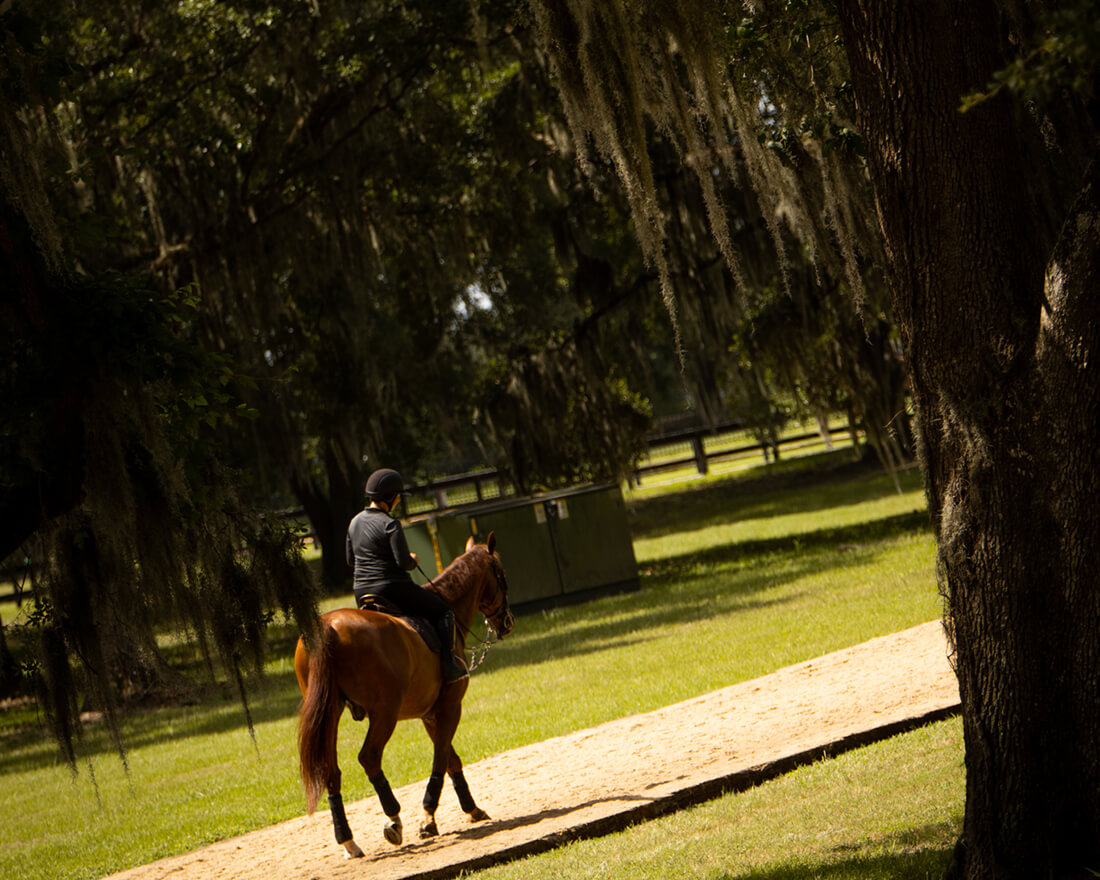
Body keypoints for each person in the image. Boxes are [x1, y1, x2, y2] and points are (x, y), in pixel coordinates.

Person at [346, 468, 468, 683]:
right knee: (444, 610)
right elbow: (403, 562)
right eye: (398, 496)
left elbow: (350, 560)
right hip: (392, 589)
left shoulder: (354, 522)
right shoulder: (390, 524)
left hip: (361, 590)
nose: (399, 500)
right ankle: (449, 665)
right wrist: (413, 559)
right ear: (390, 497)